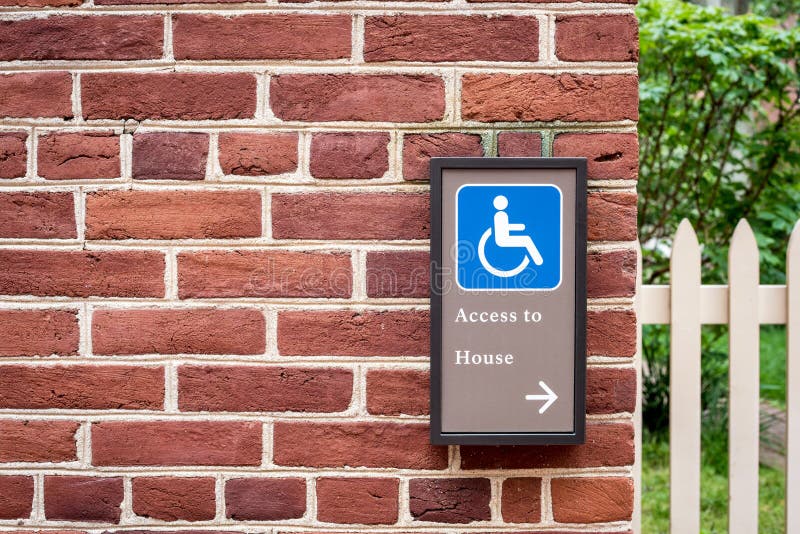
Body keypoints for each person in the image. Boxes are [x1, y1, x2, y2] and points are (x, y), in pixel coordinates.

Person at [492, 195, 544, 266]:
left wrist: (520, 227)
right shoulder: (500, 215)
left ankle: (538, 260)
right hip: (503, 240)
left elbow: (506, 228)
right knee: (526, 240)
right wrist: (520, 227)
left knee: (526, 239)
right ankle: (538, 260)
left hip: (505, 237)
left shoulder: (501, 215)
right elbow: (504, 228)